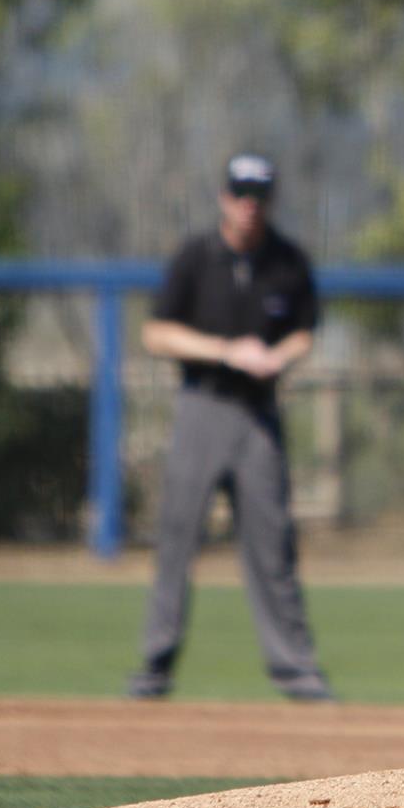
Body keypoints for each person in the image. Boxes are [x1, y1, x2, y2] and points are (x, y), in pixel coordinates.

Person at [125, 153, 334, 703]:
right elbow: (156, 334)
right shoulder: (197, 257)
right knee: (177, 538)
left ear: (271, 201)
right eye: (241, 195)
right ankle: (155, 666)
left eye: (259, 196)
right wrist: (225, 350)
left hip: (258, 413)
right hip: (203, 405)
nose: (249, 206)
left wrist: (276, 357)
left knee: (273, 546)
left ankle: (296, 669)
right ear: (224, 198)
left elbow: (305, 332)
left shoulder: (288, 261)